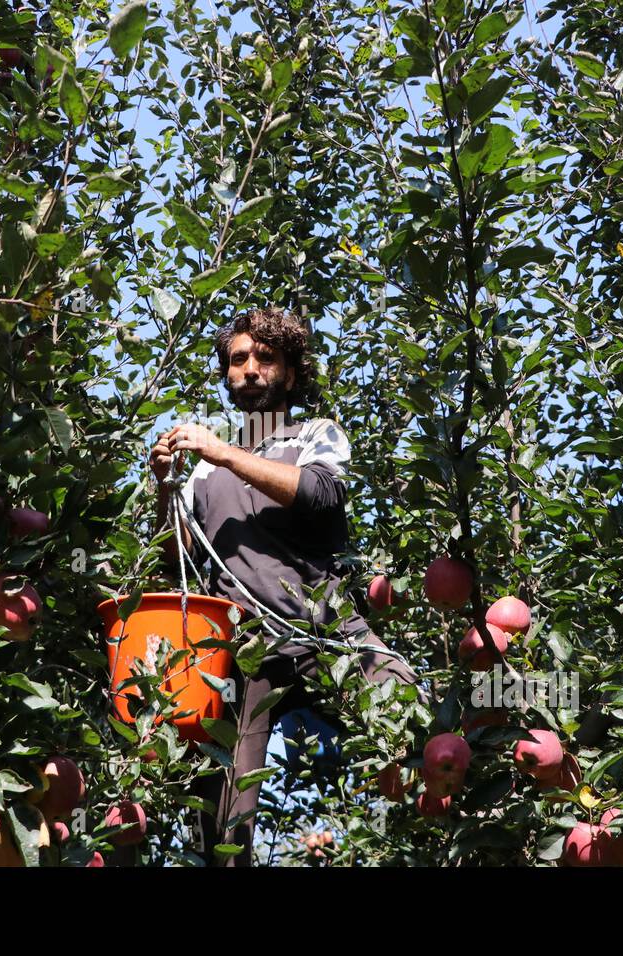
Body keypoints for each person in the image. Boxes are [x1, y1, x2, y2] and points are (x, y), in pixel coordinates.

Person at [148, 306, 420, 867]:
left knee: (416, 720)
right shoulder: (200, 470)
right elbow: (175, 559)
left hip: (325, 632)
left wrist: (223, 450)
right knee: (224, 811)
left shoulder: (314, 435)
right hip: (245, 653)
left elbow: (322, 496)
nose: (249, 368)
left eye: (264, 358)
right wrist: (163, 487)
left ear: (291, 374)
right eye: (238, 359)